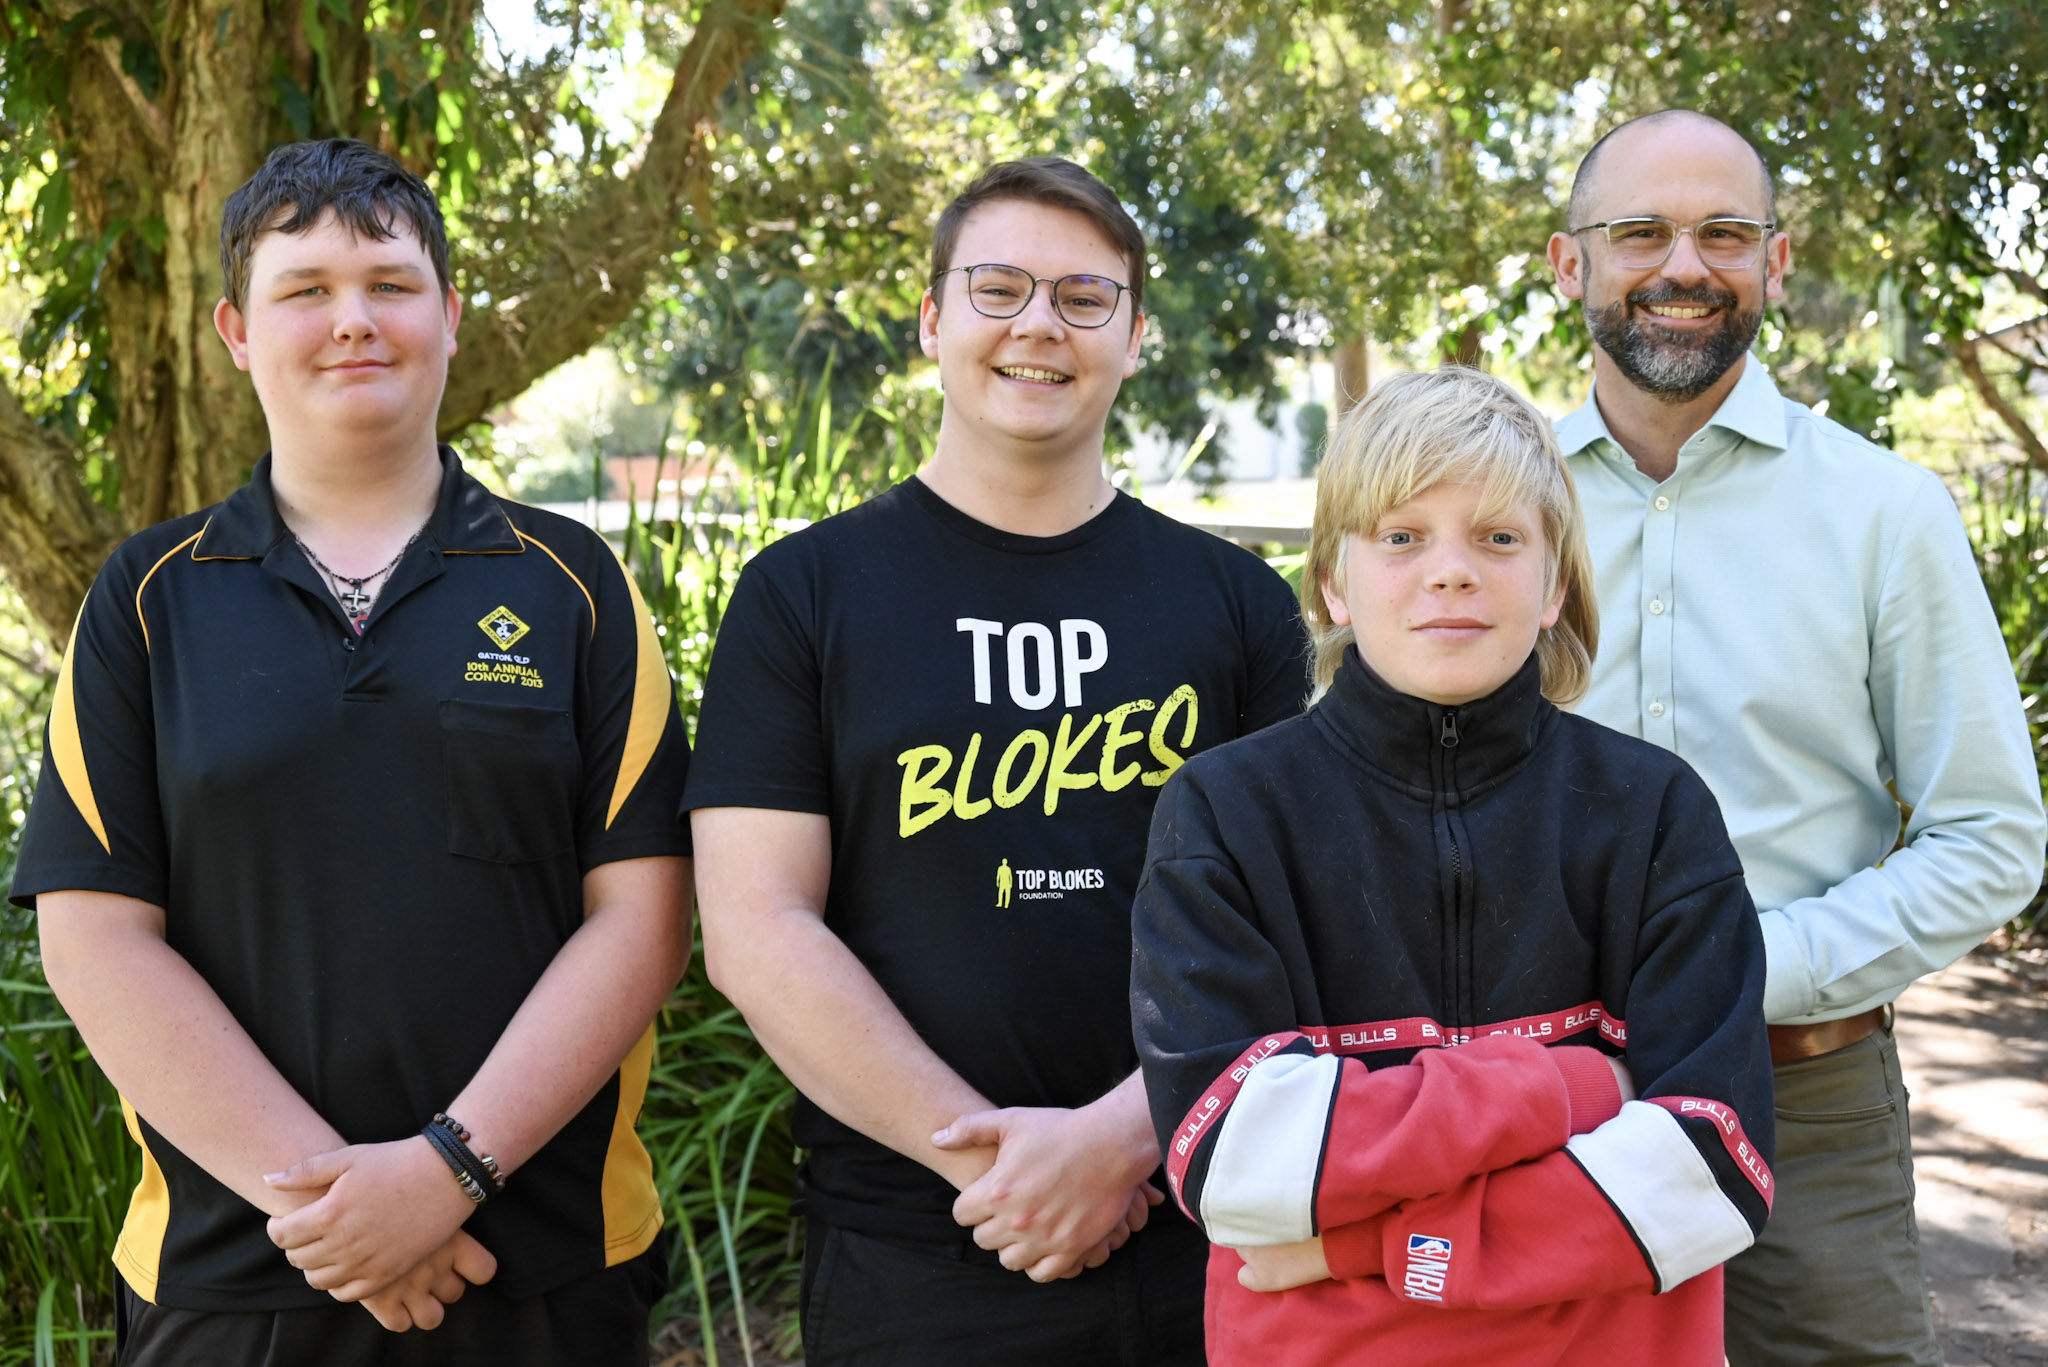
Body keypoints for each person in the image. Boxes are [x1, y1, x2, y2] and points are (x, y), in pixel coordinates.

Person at [9, 138, 694, 1366]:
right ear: (233, 327)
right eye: (305, 288)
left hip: (540, 1261)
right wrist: (334, 1208)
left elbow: (641, 918)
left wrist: (447, 1170)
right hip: (232, 1274)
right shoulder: (147, 599)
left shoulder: (576, 588)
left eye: (389, 281)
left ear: (448, 312)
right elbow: (97, 936)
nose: (352, 321)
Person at [684, 156, 1310, 1366]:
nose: (1039, 323)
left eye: (1083, 297)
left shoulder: (1236, 605)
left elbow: (1293, 921)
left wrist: (1126, 1138)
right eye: (999, 286)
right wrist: (996, 1164)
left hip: (1201, 1219)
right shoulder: (802, 597)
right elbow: (756, 925)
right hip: (912, 1239)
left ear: (1134, 336)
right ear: (931, 319)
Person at [1130, 365, 1777, 1367]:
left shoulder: (1653, 811)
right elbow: (1233, 1158)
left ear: (1554, 580)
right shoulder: (1225, 811)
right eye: (1399, 535)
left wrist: (1365, 1239)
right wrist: (1569, 1090)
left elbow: (1706, 1170)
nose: (1449, 570)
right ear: (1331, 581)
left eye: (1498, 536)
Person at [1547, 109, 2047, 1367]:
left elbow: (1990, 835)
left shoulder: (1884, 511)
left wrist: (1746, 968)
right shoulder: (1488, 509)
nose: (1682, 264)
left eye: (1724, 232)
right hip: (1527, 1097)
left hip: (1805, 1101)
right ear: (1570, 264)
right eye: (1639, 232)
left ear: (1774, 263)